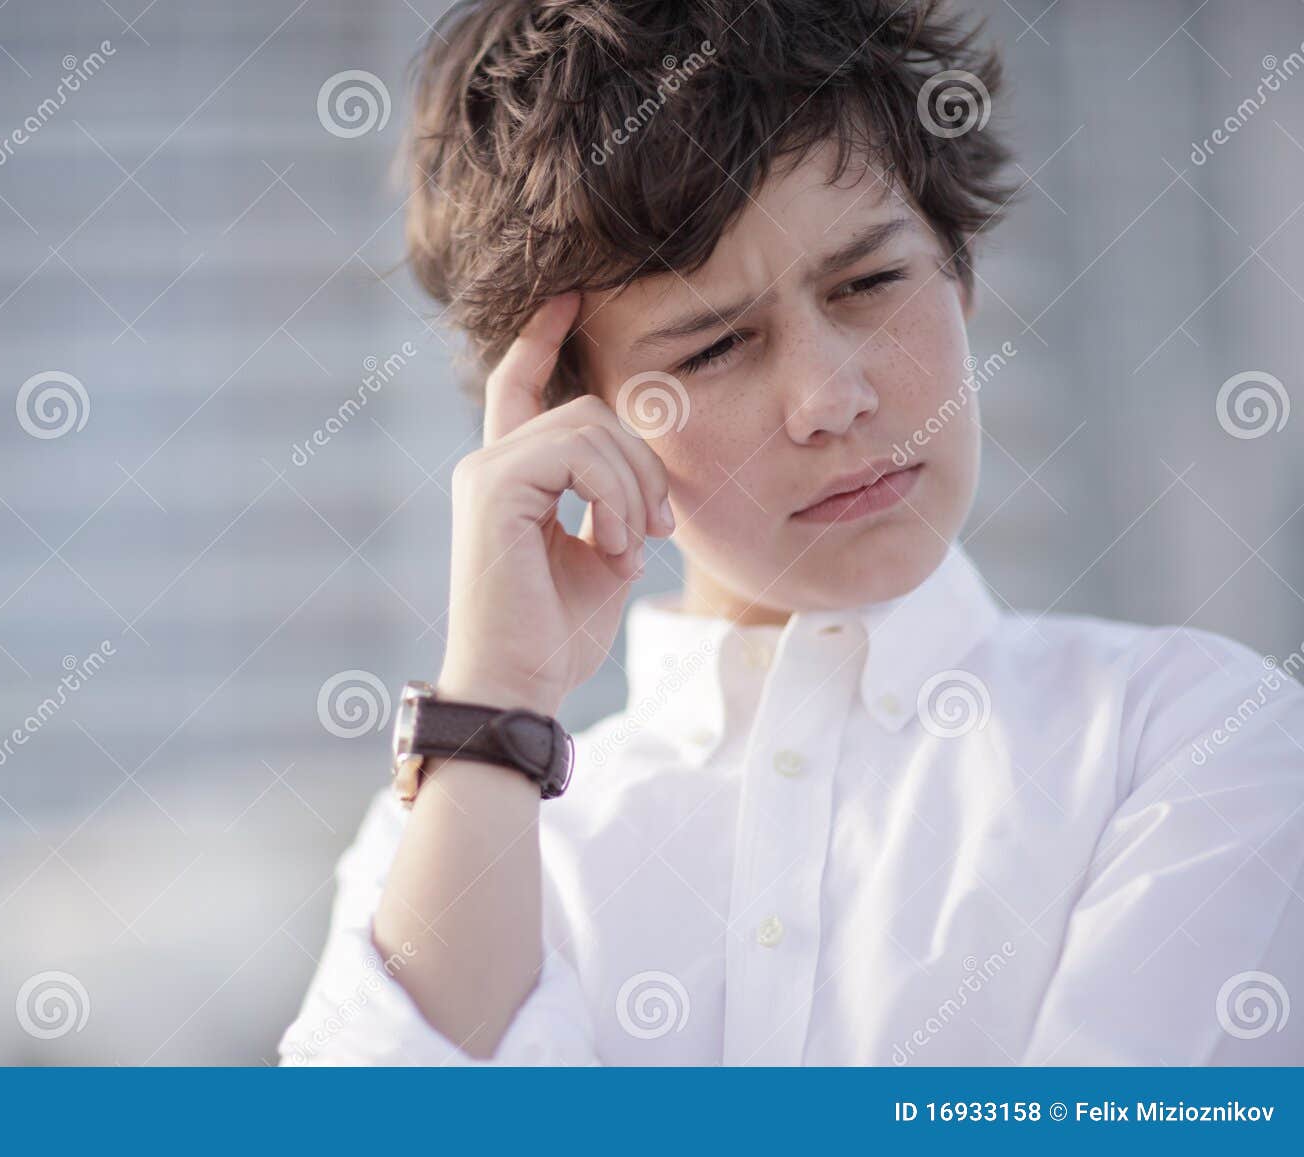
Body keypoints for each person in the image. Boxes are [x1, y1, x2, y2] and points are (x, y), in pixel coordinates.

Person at [279, 0, 1304, 1065]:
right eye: (715, 347)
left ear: (957, 268)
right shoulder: (456, 842)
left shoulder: (1191, 738)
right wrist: (495, 701)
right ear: (563, 419)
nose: (828, 397)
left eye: (867, 282)